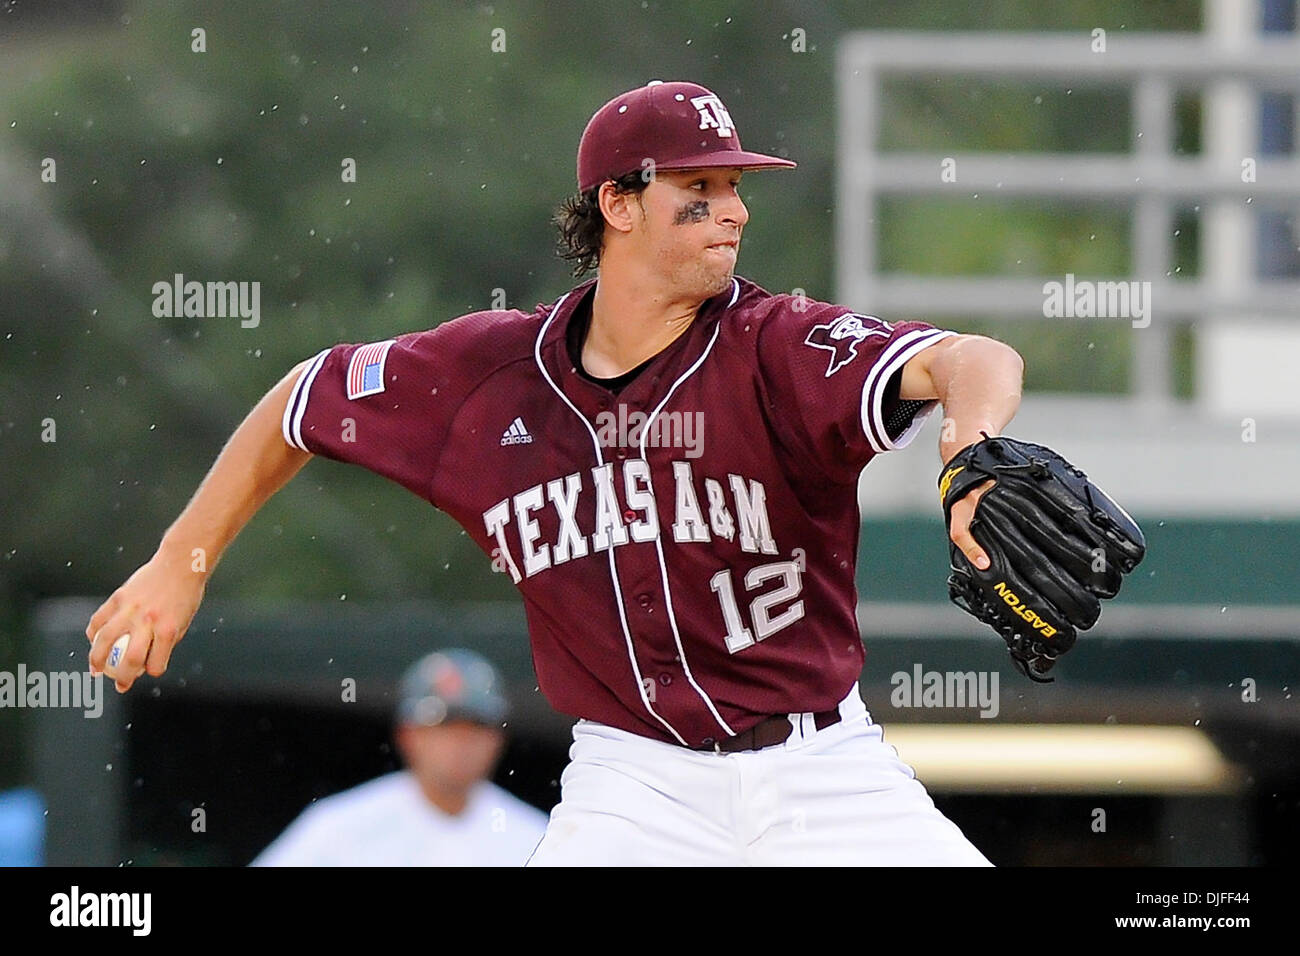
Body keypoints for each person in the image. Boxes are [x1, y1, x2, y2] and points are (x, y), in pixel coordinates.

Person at [88, 80, 1025, 865]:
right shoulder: (486, 377)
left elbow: (972, 358)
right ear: (618, 204)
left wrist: (970, 445)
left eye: (736, 184)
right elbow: (301, 401)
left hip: (824, 771)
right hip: (636, 783)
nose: (734, 207)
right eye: (699, 185)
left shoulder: (778, 345)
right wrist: (182, 560)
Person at [251, 648, 547, 866]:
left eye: (475, 728)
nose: (460, 744)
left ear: (497, 739)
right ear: (408, 736)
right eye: (444, 727)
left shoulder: (541, 838)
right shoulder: (338, 827)